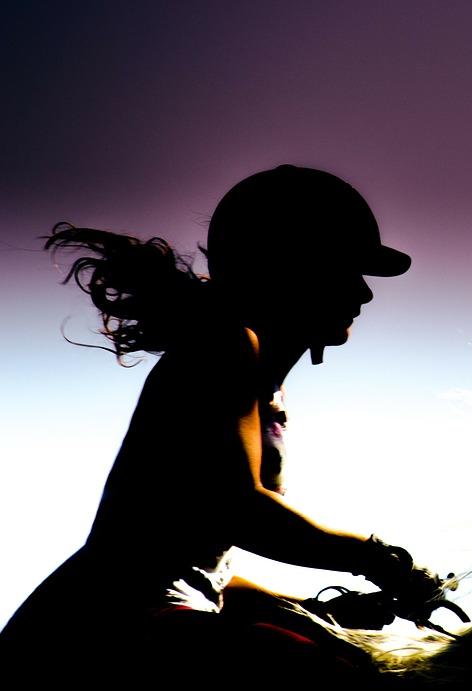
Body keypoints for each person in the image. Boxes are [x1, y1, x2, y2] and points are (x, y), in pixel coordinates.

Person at [0, 165, 442, 681]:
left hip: (132, 619)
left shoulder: (257, 378)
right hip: (102, 634)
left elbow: (208, 568)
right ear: (292, 267)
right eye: (347, 270)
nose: (364, 294)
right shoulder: (225, 345)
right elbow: (238, 510)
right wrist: (379, 559)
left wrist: (314, 611)